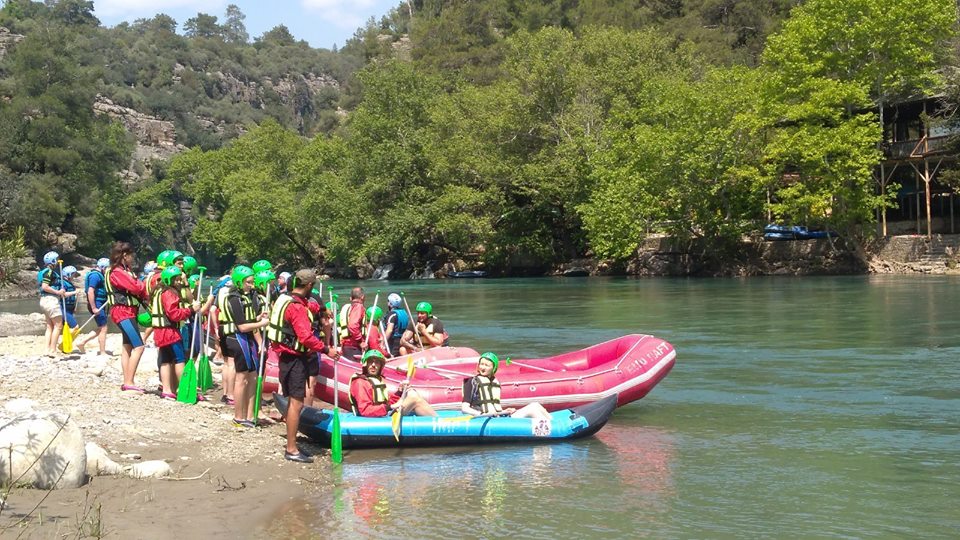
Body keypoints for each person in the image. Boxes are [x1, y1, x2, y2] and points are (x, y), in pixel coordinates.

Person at [266, 268, 330, 463]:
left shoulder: (285, 299)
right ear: (309, 285)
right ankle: (292, 449)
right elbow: (305, 337)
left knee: (296, 401)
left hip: (286, 357)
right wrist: (326, 350)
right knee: (296, 402)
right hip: (294, 359)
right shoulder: (296, 307)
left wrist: (316, 309)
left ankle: (292, 444)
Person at [220, 265, 269, 428]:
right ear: (239, 282)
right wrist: (261, 323)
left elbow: (248, 320)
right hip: (236, 338)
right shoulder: (234, 298)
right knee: (242, 378)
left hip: (246, 338)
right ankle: (238, 416)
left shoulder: (247, 296)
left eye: (252, 282)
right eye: (248, 282)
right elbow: (241, 326)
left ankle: (250, 414)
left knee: (253, 376)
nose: (251, 285)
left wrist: (257, 317)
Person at [149, 266, 201, 399]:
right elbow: (174, 314)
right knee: (179, 359)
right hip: (169, 331)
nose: (179, 282)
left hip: (160, 331)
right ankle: (185, 391)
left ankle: (167, 390)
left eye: (179, 280)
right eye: (176, 280)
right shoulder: (169, 293)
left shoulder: (158, 290)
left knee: (165, 360)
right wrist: (191, 310)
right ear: (168, 280)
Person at [105, 241, 149, 392]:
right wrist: (142, 285)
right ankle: (129, 382)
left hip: (125, 312)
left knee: (127, 347)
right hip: (123, 312)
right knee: (139, 346)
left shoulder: (121, 270)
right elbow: (136, 287)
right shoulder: (117, 272)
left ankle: (127, 380)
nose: (132, 258)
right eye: (130, 255)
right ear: (124, 255)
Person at [461, 352, 550, 420]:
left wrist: (505, 411)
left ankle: (554, 423)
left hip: (499, 418)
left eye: (487, 365)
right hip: (486, 419)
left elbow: (493, 406)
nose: (483, 367)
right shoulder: (472, 382)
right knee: (533, 410)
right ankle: (551, 431)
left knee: (535, 405)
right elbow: (464, 408)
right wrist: (479, 414)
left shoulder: (494, 382)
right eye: (481, 364)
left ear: (493, 368)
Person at [349, 350, 437, 418]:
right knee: (414, 399)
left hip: (381, 415)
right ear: (365, 364)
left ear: (381, 366)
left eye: (377, 363)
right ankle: (440, 424)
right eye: (370, 362)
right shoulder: (360, 383)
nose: (373, 365)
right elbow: (365, 410)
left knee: (412, 393)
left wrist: (399, 392)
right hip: (372, 420)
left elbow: (385, 403)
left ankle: (438, 423)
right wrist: (389, 407)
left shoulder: (376, 380)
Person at [76, 257, 110, 355]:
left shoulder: (98, 275)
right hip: (97, 303)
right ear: (103, 267)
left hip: (99, 303)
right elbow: (90, 291)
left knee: (101, 327)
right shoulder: (95, 276)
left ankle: (82, 342)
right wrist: (94, 307)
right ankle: (102, 352)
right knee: (103, 328)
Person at [37, 251, 65, 356]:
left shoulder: (42, 271)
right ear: (52, 261)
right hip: (51, 300)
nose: (57, 262)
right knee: (58, 325)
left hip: (44, 300)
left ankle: (46, 349)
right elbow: (45, 286)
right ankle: (53, 350)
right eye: (56, 260)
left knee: (50, 326)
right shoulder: (49, 272)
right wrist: (58, 292)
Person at [338, 287, 367, 360]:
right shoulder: (359, 307)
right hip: (354, 346)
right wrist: (360, 341)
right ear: (362, 297)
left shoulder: (349, 308)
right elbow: (353, 325)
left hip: (346, 346)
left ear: (350, 298)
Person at [59, 266, 82, 343]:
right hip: (64, 308)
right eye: (73, 275)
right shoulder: (63, 283)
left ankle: (64, 343)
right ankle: (66, 343)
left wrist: (75, 307)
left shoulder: (70, 283)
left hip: (70, 308)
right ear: (68, 275)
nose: (74, 277)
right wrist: (75, 292)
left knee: (63, 327)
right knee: (75, 327)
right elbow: (63, 294)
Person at [383, 293, 410, 357]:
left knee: (393, 356)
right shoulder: (404, 312)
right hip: (403, 339)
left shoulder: (392, 314)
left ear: (390, 303)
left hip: (394, 341)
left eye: (388, 301)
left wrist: (383, 342)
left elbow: (389, 330)